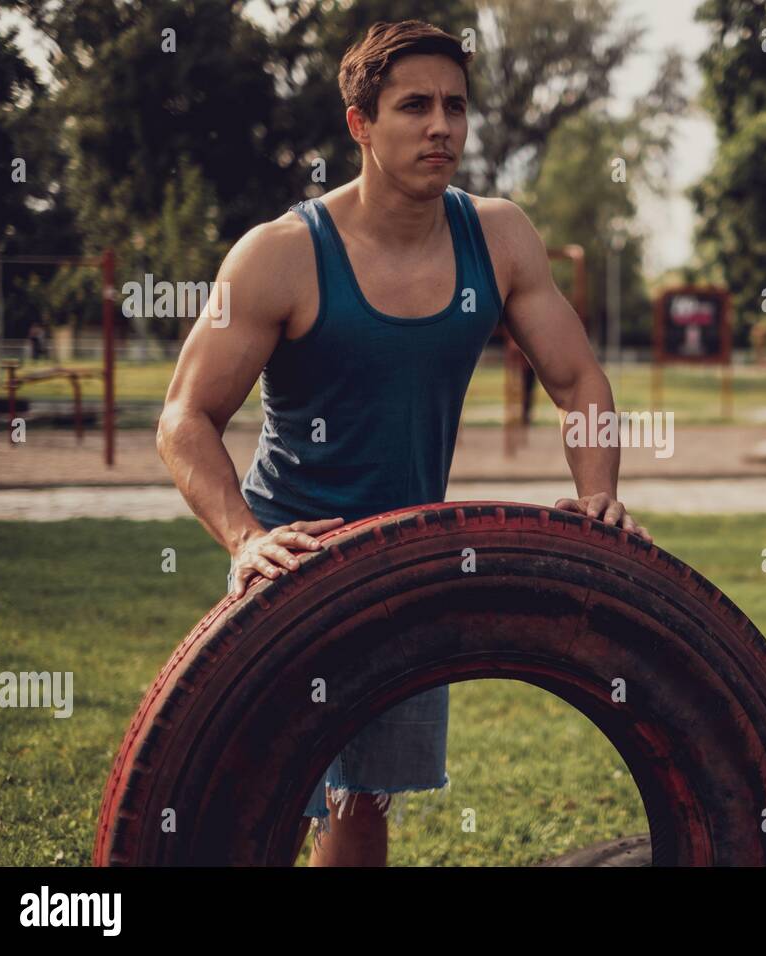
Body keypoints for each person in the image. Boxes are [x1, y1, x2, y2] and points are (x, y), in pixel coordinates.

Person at [155, 19, 651, 867]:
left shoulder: (497, 238)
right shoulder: (279, 254)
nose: (442, 128)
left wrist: (599, 489)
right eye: (415, 106)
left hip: (410, 561)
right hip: (294, 562)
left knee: (362, 802)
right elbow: (183, 417)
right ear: (360, 125)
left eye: (455, 107)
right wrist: (245, 539)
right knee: (256, 806)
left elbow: (577, 381)